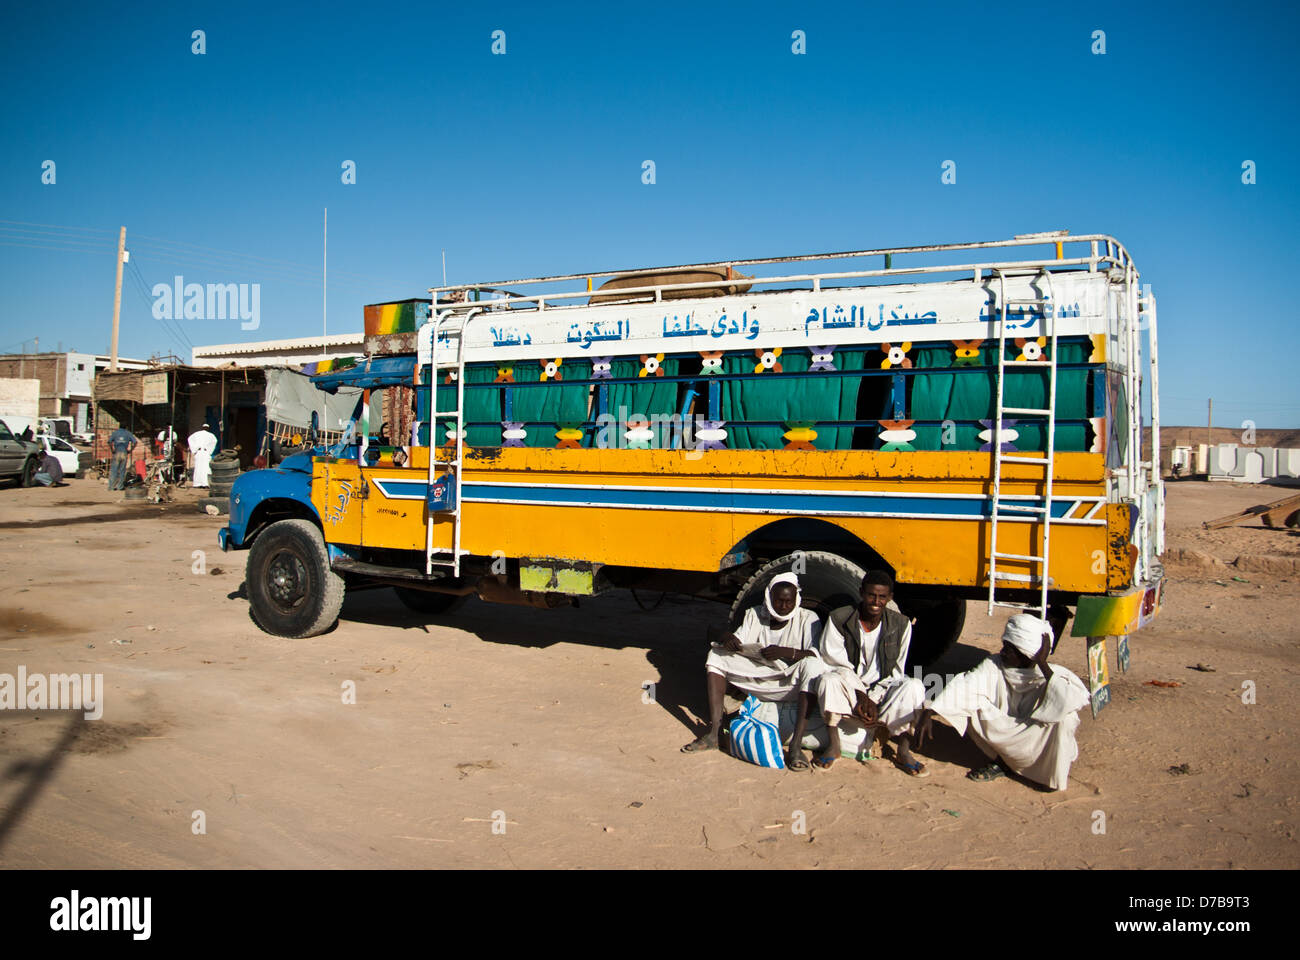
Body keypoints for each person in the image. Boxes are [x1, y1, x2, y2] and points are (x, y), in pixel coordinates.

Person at [915, 613, 1090, 791]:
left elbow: (1068, 700)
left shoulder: (1053, 675)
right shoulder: (994, 664)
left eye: (1010, 649)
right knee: (972, 703)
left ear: (1026, 655)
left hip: (1033, 741)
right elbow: (966, 684)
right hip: (1005, 731)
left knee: (1065, 718)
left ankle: (1045, 773)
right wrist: (930, 711)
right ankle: (1002, 762)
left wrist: (1042, 663)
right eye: (1004, 645)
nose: (1002, 652)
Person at [788, 570, 927, 774]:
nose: (876, 601)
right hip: (852, 692)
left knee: (914, 686)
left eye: (882, 597)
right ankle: (834, 745)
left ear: (889, 598)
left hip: (882, 693)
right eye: (871, 595)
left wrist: (874, 700)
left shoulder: (901, 624)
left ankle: (903, 750)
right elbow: (834, 662)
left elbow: (897, 671)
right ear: (862, 592)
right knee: (828, 680)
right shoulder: (839, 618)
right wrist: (860, 695)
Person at [681, 573, 822, 753]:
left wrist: (786, 652)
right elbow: (739, 643)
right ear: (769, 597)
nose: (784, 606)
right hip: (758, 680)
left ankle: (795, 745)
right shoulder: (754, 614)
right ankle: (714, 734)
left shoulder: (809, 618)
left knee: (812, 665)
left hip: (789, 684)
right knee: (716, 656)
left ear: (797, 599)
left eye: (789, 601)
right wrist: (727, 639)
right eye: (779, 601)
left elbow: (816, 655)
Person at [107, 426, 137, 490]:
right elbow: (135, 442)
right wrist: (130, 450)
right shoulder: (128, 433)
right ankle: (120, 486)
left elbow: (109, 442)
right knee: (122, 470)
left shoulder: (115, 433)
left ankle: (111, 486)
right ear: (126, 427)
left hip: (117, 452)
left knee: (114, 470)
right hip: (124, 452)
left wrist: (112, 450)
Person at [188, 423, 218, 489]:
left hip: (200, 452)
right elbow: (214, 441)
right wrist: (209, 450)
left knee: (201, 468)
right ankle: (203, 483)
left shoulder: (196, 434)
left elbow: (190, 439)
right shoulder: (211, 435)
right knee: (204, 468)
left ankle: (198, 483)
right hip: (205, 452)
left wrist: (194, 449)